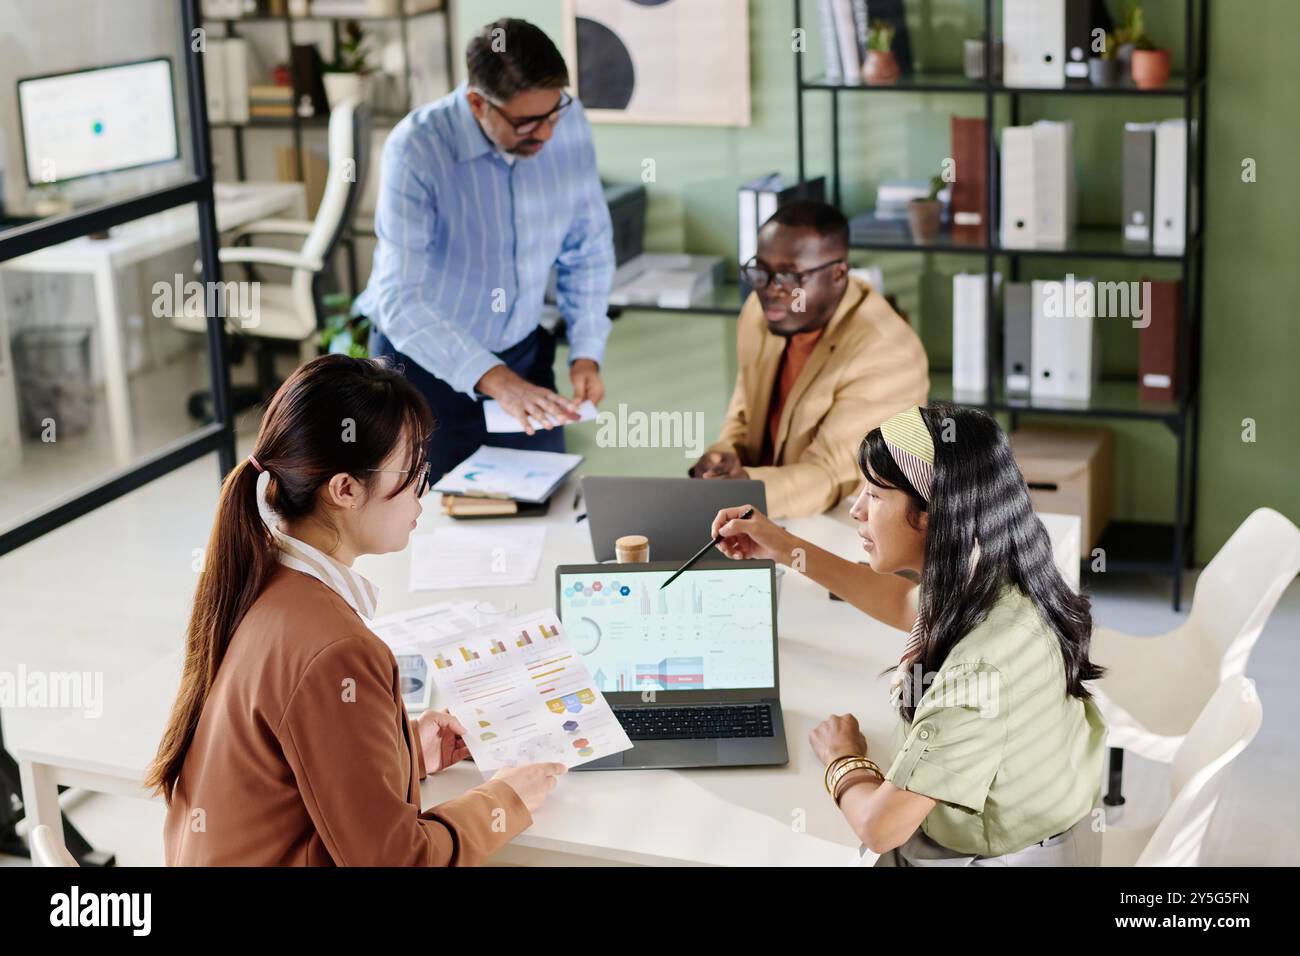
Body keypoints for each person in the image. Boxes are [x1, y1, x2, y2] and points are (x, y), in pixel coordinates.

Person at [147, 355, 565, 865]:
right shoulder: (337, 650)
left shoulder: (254, 582)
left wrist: (406, 750)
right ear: (344, 489)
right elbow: (394, 861)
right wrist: (504, 802)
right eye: (412, 472)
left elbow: (293, 764)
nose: (423, 491)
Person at [711, 403, 1107, 865]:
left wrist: (846, 760)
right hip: (1020, 823)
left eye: (876, 495)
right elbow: (902, 602)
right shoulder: (993, 570)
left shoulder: (982, 668)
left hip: (996, 855)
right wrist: (783, 546)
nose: (857, 509)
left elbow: (881, 826)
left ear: (932, 512)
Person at [356, 17, 615, 477]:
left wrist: (586, 352)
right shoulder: (416, 149)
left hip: (520, 357)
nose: (547, 133)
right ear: (478, 103)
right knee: (428, 523)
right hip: (422, 368)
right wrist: (498, 382)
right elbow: (399, 297)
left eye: (554, 112)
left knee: (540, 509)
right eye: (527, 122)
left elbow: (587, 248)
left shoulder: (567, 125)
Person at [690, 200, 928, 518]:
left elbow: (829, 474)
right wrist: (720, 461)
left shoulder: (886, 353)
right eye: (761, 271)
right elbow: (743, 417)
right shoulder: (760, 315)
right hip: (768, 517)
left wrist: (744, 485)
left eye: (789, 276)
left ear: (838, 274)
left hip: (849, 528)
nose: (770, 290)